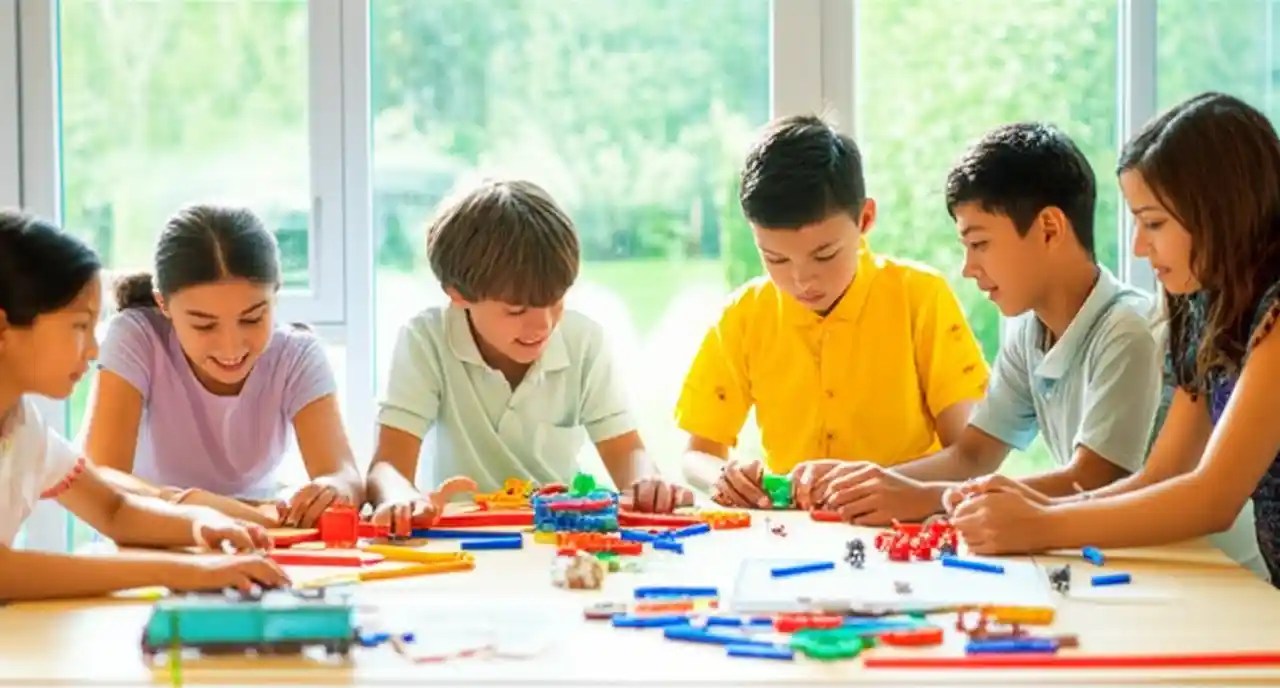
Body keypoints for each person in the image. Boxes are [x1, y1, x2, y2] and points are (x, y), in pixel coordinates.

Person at [950, 92, 1280, 588]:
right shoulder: (1200, 307)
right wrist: (1037, 504)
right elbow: (1163, 475)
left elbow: (1214, 497)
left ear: (1220, 212)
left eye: (1154, 223)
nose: (1138, 246)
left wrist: (1041, 524)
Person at [792, 122, 1162, 527]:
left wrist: (930, 498)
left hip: (1192, 570)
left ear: (1049, 229)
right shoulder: (1030, 335)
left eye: (980, 244)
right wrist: (865, 483)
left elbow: (1091, 480)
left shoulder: (1128, 330)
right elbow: (970, 456)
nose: (969, 269)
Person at [675, 114, 989, 509]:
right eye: (775, 258)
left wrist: (880, 483)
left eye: (824, 254)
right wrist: (722, 476)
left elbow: (970, 456)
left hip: (904, 530)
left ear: (865, 219)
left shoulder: (920, 297)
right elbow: (697, 452)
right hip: (794, 532)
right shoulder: (744, 315)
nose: (802, 280)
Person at [366, 178, 690, 532]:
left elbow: (627, 452)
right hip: (460, 539)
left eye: (556, 302)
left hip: (554, 537)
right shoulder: (425, 339)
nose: (543, 326)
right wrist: (398, 496)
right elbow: (389, 465)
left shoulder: (584, 341)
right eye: (517, 310)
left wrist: (647, 481)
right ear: (457, 294)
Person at [0, 210, 287, 601]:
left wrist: (200, 525)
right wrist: (184, 570)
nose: (94, 350)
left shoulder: (21, 426)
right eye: (79, 326)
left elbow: (113, 509)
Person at [82, 204, 364, 529]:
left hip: (260, 537)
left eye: (252, 318)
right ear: (163, 304)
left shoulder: (296, 354)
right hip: (153, 536)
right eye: (204, 325)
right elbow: (101, 477)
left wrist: (333, 490)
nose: (231, 347)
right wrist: (198, 506)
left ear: (276, 296)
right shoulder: (137, 337)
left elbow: (346, 477)